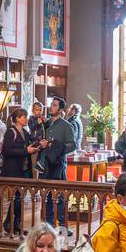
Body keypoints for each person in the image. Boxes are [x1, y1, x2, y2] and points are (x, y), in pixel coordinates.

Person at [41, 97, 76, 232]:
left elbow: (72, 145)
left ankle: (63, 226)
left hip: (59, 164)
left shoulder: (66, 126)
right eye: (51, 104)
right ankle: (48, 225)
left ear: (61, 109)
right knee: (47, 195)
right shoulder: (47, 124)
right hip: (46, 164)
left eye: (54, 105)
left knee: (61, 196)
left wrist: (55, 146)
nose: (51, 107)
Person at [0, 106, 34, 233]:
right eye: (24, 117)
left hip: (24, 169)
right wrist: (26, 150)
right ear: (18, 119)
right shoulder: (10, 131)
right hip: (14, 170)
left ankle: (13, 224)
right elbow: (6, 151)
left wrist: (38, 145)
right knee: (17, 198)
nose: (27, 119)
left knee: (20, 198)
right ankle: (11, 224)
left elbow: (31, 142)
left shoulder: (25, 132)